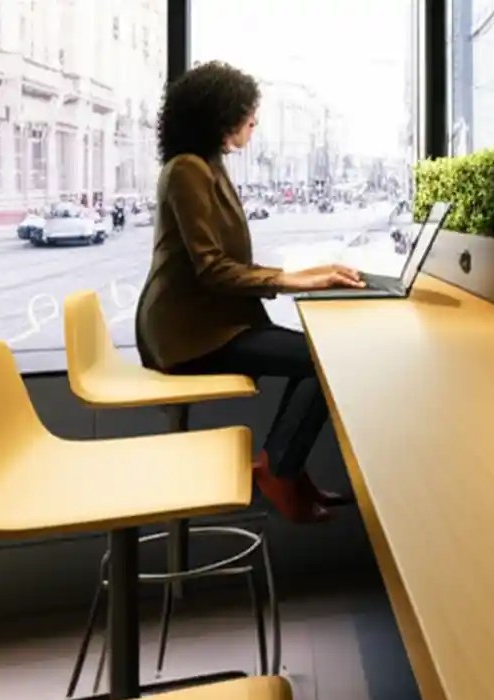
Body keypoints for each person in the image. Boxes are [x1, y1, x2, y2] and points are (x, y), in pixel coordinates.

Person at [135, 60, 365, 523]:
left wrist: (309, 272)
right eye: (247, 114)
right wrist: (294, 280)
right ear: (219, 116)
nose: (254, 122)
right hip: (190, 334)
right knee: (322, 361)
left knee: (317, 358)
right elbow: (212, 270)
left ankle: (282, 467)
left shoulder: (209, 166)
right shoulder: (186, 170)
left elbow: (227, 264)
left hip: (213, 322)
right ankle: (279, 470)